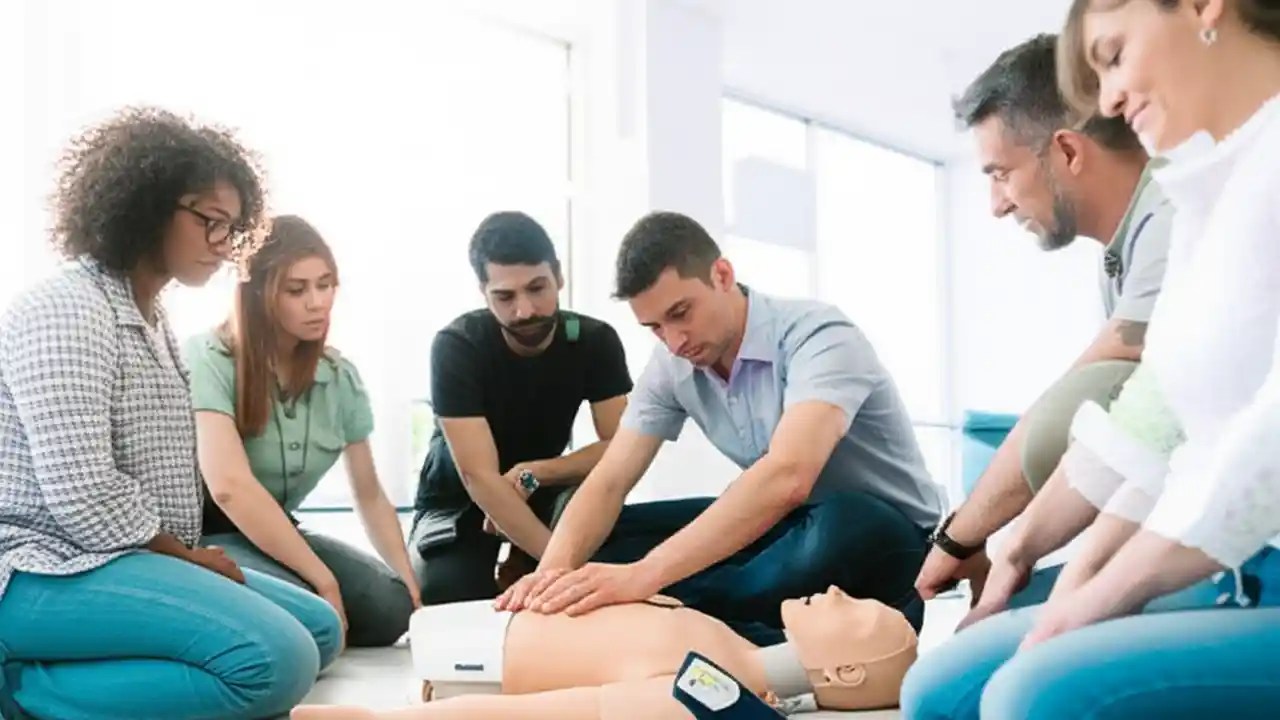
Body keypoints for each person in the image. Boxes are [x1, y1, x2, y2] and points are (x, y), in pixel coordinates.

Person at [902, 1, 1280, 717]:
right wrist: (1031, 555)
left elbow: (1264, 447)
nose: (1106, 99)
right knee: (941, 689)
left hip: (1247, 552)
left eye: (1112, 56)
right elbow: (1159, 422)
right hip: (1231, 562)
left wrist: (1110, 590)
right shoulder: (1205, 193)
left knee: (1030, 694)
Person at [0, 107, 341, 720]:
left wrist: (185, 561)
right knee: (281, 658)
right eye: (211, 222)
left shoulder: (151, 318)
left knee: (317, 628)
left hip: (115, 558)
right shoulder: (66, 311)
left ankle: (82, 678)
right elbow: (82, 494)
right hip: (37, 565)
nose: (224, 245)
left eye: (233, 227)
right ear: (147, 204)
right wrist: (186, 562)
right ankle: (21, 694)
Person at [498, 211, 945, 645]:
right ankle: (722, 623)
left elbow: (788, 477)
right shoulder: (671, 364)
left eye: (681, 312)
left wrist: (640, 578)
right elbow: (609, 481)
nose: (674, 340)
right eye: (655, 327)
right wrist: (546, 583)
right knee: (606, 538)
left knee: (843, 521)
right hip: (788, 528)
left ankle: (680, 615)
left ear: (723, 275)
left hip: (883, 540)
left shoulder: (819, 335)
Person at [914, 32, 1174, 609]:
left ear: (1068, 151)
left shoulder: (1175, 211)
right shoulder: (1123, 253)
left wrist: (965, 535)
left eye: (1000, 174)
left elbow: (1084, 403)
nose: (996, 204)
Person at [185, 214, 418, 648]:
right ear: (258, 295)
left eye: (326, 284)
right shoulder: (208, 358)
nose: (317, 302)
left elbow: (368, 493)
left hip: (277, 534)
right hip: (206, 536)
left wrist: (411, 586)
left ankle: (298, 618)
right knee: (308, 608)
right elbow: (229, 488)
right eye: (297, 289)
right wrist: (324, 580)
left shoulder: (339, 375)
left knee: (392, 606)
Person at [410, 211, 633, 605]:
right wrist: (559, 567)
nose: (525, 310)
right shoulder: (457, 347)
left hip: (545, 491)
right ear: (483, 291)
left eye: (537, 288)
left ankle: (527, 561)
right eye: (505, 296)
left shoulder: (595, 341)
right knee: (451, 597)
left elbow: (623, 447)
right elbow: (478, 476)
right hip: (457, 500)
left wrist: (538, 474)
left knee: (607, 553)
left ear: (559, 277)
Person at [292, 586, 919, 719]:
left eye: (862, 612)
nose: (838, 591)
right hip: (472, 630)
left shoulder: (704, 693)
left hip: (464, 669)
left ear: (844, 670)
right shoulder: (726, 648)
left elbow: (564, 713)